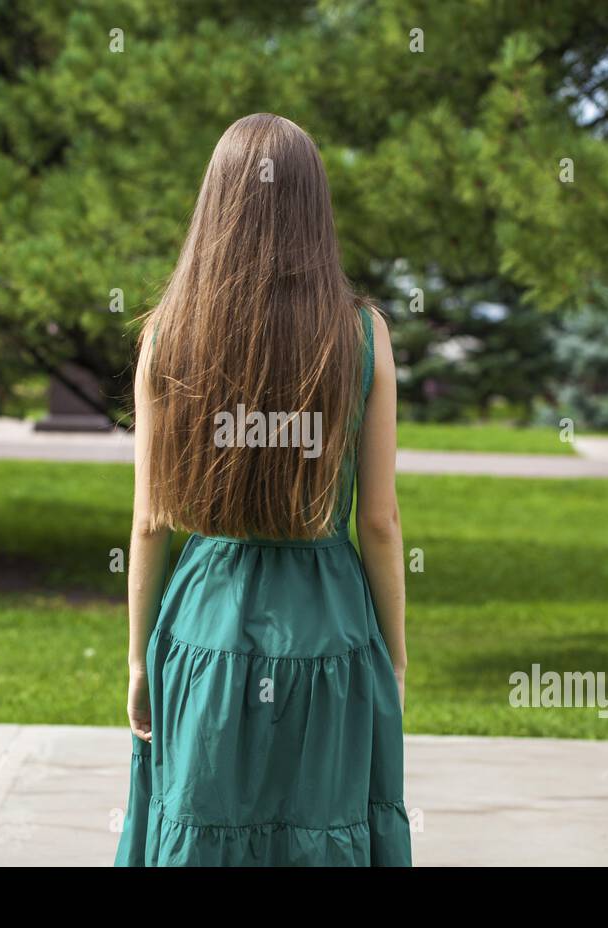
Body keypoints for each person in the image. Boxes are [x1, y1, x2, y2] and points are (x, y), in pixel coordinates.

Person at [115, 113, 411, 866]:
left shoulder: (167, 334)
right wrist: (394, 657)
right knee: (320, 831)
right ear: (315, 207)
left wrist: (141, 662)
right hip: (330, 624)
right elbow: (378, 520)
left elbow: (151, 520)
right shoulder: (363, 336)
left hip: (205, 621)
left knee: (202, 826)